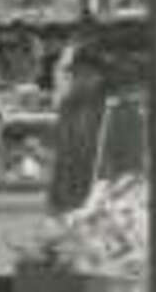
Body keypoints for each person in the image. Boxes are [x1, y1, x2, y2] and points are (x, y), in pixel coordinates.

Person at [46, 42, 109, 214]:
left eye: (83, 74)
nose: (77, 79)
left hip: (99, 199)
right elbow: (63, 156)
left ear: (98, 76)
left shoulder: (106, 109)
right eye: (74, 75)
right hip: (71, 200)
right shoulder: (69, 107)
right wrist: (56, 199)